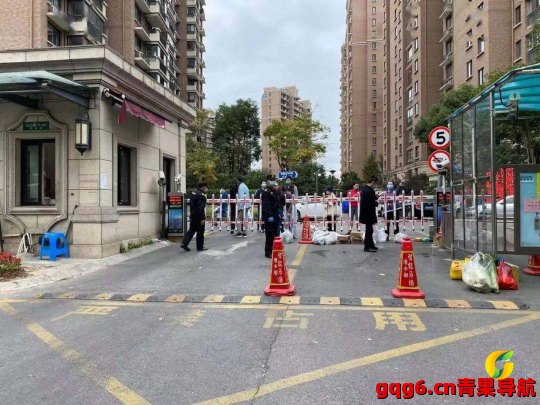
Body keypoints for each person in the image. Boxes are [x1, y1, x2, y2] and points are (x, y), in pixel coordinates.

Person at [181, 182, 208, 252]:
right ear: (202, 187)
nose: (206, 189)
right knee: (200, 232)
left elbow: (190, 203)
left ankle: (184, 243)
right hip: (199, 216)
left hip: (193, 214)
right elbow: (200, 208)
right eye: (206, 187)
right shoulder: (201, 195)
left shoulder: (194, 193)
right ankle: (200, 247)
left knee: (191, 230)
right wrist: (202, 218)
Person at [261, 177, 280, 258]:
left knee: (274, 234)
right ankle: (268, 252)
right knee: (269, 234)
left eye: (273, 180)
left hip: (274, 214)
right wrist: (270, 215)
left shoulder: (273, 190)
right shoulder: (266, 192)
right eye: (271, 180)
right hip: (269, 215)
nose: (273, 182)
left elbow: (277, 201)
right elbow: (266, 206)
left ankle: (273, 249)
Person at [360, 176, 379, 252]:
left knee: (370, 230)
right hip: (368, 213)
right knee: (369, 230)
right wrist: (376, 202)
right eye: (375, 184)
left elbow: (370, 199)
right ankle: (367, 247)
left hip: (366, 213)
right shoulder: (368, 191)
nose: (375, 186)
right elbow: (369, 202)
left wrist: (375, 197)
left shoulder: (365, 189)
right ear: (372, 182)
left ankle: (371, 245)